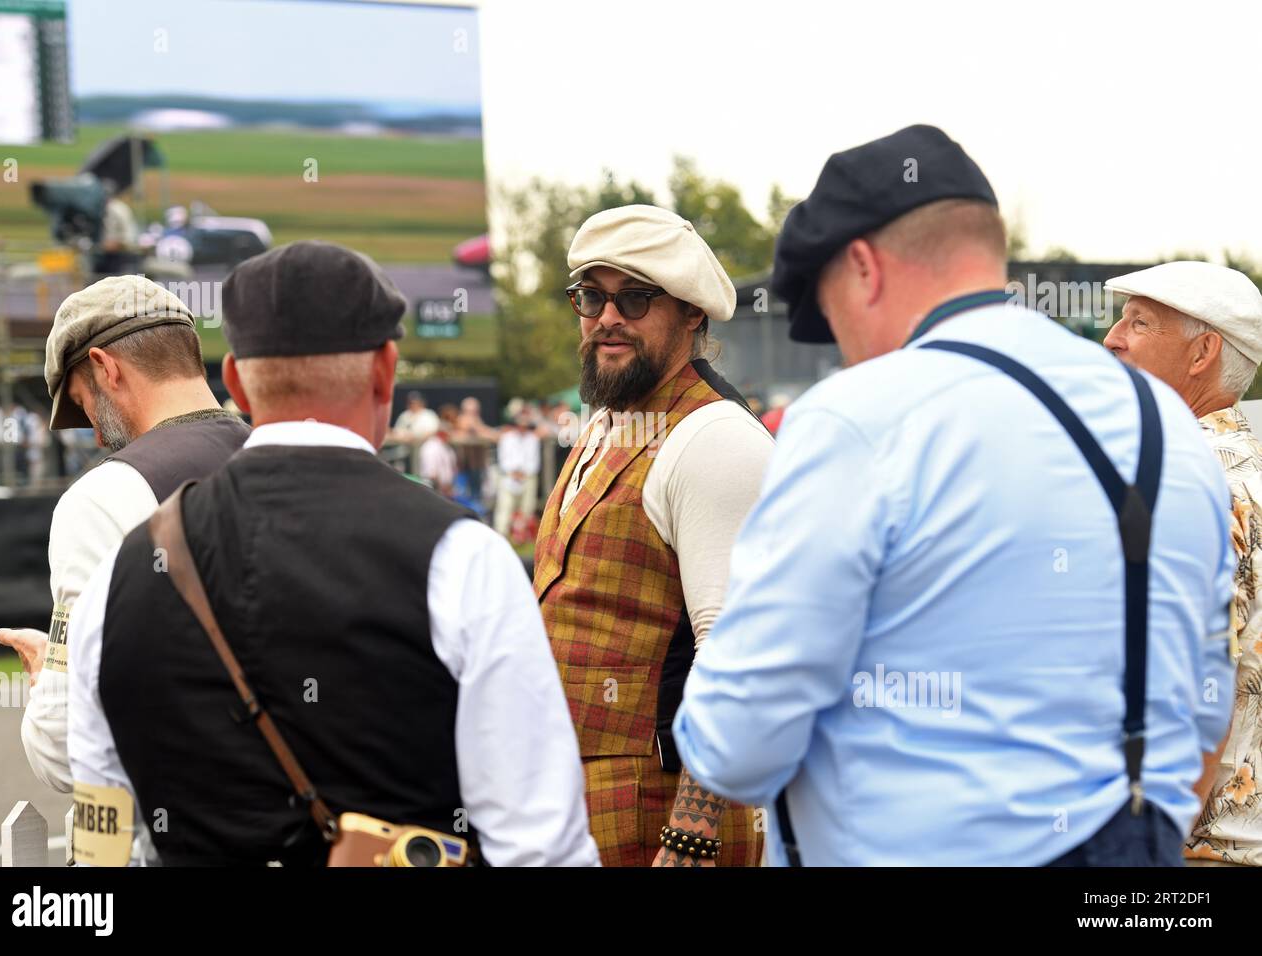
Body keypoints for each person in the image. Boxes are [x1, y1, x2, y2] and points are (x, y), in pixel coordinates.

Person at [672, 125, 1236, 866]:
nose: (841, 347)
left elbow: (738, 742)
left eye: (830, 312)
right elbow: (1204, 714)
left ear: (865, 269)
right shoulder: (1167, 426)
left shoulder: (853, 418)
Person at [66, 240, 598, 866]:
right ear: (385, 370)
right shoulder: (462, 559)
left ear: (235, 378)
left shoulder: (117, 579)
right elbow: (542, 847)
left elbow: (100, 848)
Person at [534, 204, 773, 867]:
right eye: (590, 296)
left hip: (670, 820)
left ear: (691, 312)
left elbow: (737, 652)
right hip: (588, 808)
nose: (606, 318)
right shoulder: (610, 418)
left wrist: (691, 835)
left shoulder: (715, 437)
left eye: (634, 298)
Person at [0, 275, 249, 804]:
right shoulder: (283, 459)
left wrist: (50, 676)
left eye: (84, 403)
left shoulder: (104, 497)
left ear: (106, 367)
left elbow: (66, 747)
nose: (93, 431)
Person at [1101, 261, 1262, 866]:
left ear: (1202, 354)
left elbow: (1200, 690)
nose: (1113, 338)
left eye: (1139, 323)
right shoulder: (1240, 463)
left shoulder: (1187, 478)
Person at [493, 410, 540, 540]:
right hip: (509, 476)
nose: (522, 427)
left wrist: (524, 472)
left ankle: (522, 534)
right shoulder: (506, 438)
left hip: (527, 476)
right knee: (505, 506)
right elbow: (503, 459)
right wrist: (513, 472)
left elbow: (534, 461)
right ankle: (501, 534)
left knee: (527, 507)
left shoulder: (533, 439)